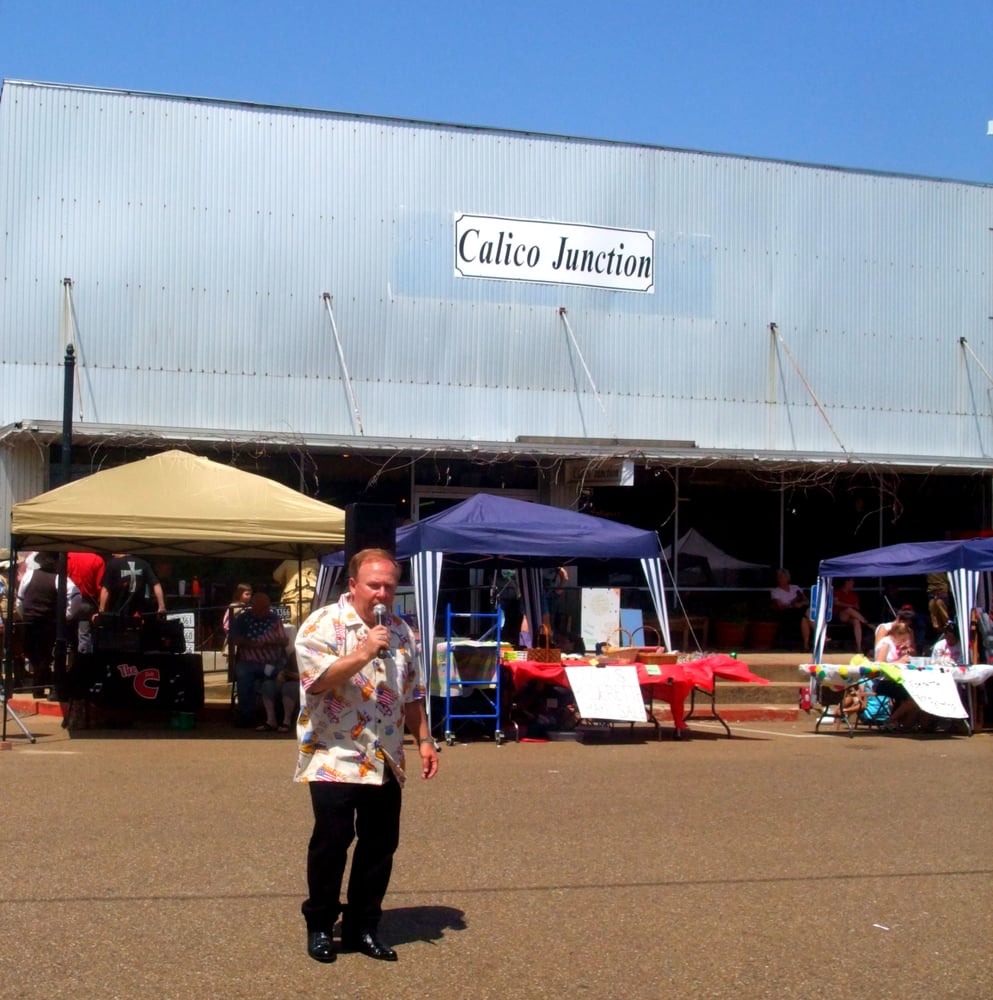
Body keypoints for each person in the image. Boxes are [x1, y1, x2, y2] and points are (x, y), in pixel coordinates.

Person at [294, 548, 438, 965]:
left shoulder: (401, 630)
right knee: (331, 843)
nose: (382, 594)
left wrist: (425, 740)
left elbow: (413, 693)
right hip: (334, 753)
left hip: (384, 754)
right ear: (353, 584)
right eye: (373, 585)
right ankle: (320, 924)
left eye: (389, 587)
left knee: (379, 845)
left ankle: (362, 926)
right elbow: (316, 682)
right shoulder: (321, 624)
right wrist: (362, 652)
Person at [229, 591, 287, 730]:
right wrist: (251, 643)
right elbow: (234, 640)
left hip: (273, 661)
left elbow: (285, 640)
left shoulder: (274, 619)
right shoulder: (243, 619)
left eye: (266, 607)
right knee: (243, 675)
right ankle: (247, 715)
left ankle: (281, 715)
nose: (264, 611)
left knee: (284, 675)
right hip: (249, 661)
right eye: (261, 608)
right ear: (253, 606)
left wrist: (272, 642)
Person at [99, 553, 166, 618]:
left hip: (117, 613)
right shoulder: (143, 563)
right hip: (138, 612)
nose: (112, 554)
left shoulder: (112, 564)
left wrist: (101, 611)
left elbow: (105, 589)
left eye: (115, 552)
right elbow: (156, 584)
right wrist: (161, 607)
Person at [260, 622, 300, 733]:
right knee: (267, 685)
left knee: (289, 687)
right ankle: (270, 720)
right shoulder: (285, 653)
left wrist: (287, 674)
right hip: (282, 680)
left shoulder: (302, 654)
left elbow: (307, 675)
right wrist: (280, 673)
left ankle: (286, 721)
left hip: (297, 682)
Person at [67, 551, 106, 654]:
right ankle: (83, 663)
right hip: (86, 602)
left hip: (68, 601)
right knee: (84, 635)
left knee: (66, 635)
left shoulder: (68, 555)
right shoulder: (97, 559)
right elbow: (100, 586)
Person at [770, 568, 811, 648]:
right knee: (806, 613)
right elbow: (780, 606)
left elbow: (806, 601)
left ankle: (806, 645)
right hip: (787, 613)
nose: (781, 579)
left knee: (804, 617)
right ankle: (822, 636)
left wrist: (800, 604)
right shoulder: (776, 591)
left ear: (788, 578)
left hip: (800, 610)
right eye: (779, 577)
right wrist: (792, 604)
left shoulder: (795, 588)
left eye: (783, 577)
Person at [273, 558, 319, 626]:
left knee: (287, 626)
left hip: (291, 599)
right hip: (313, 597)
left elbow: (276, 576)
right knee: (312, 626)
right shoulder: (316, 562)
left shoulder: (288, 561)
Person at [832, 577, 870, 651]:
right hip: (837, 615)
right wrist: (851, 605)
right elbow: (836, 603)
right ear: (846, 582)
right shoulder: (837, 592)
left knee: (856, 620)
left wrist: (853, 607)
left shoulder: (854, 595)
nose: (853, 583)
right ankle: (867, 623)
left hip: (849, 617)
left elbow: (857, 608)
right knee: (848, 609)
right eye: (852, 581)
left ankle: (859, 647)